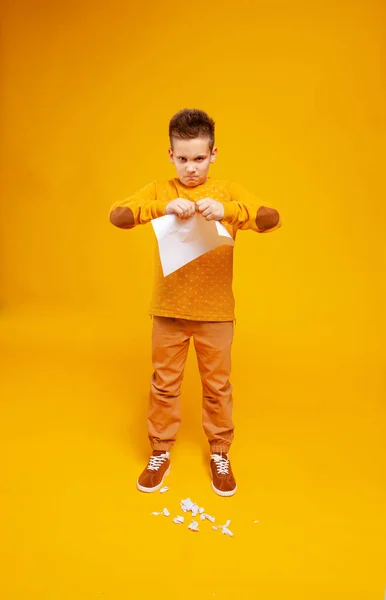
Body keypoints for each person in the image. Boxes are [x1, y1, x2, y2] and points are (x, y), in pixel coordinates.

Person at [109, 108, 281, 497]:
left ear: (214, 154)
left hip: (215, 314)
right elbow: (118, 215)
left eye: (199, 158)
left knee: (217, 388)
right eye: (183, 158)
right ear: (170, 155)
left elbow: (270, 218)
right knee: (164, 386)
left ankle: (220, 452)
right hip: (167, 311)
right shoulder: (161, 189)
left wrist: (229, 212)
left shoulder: (228, 191)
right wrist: (161, 207)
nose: (191, 168)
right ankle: (160, 451)